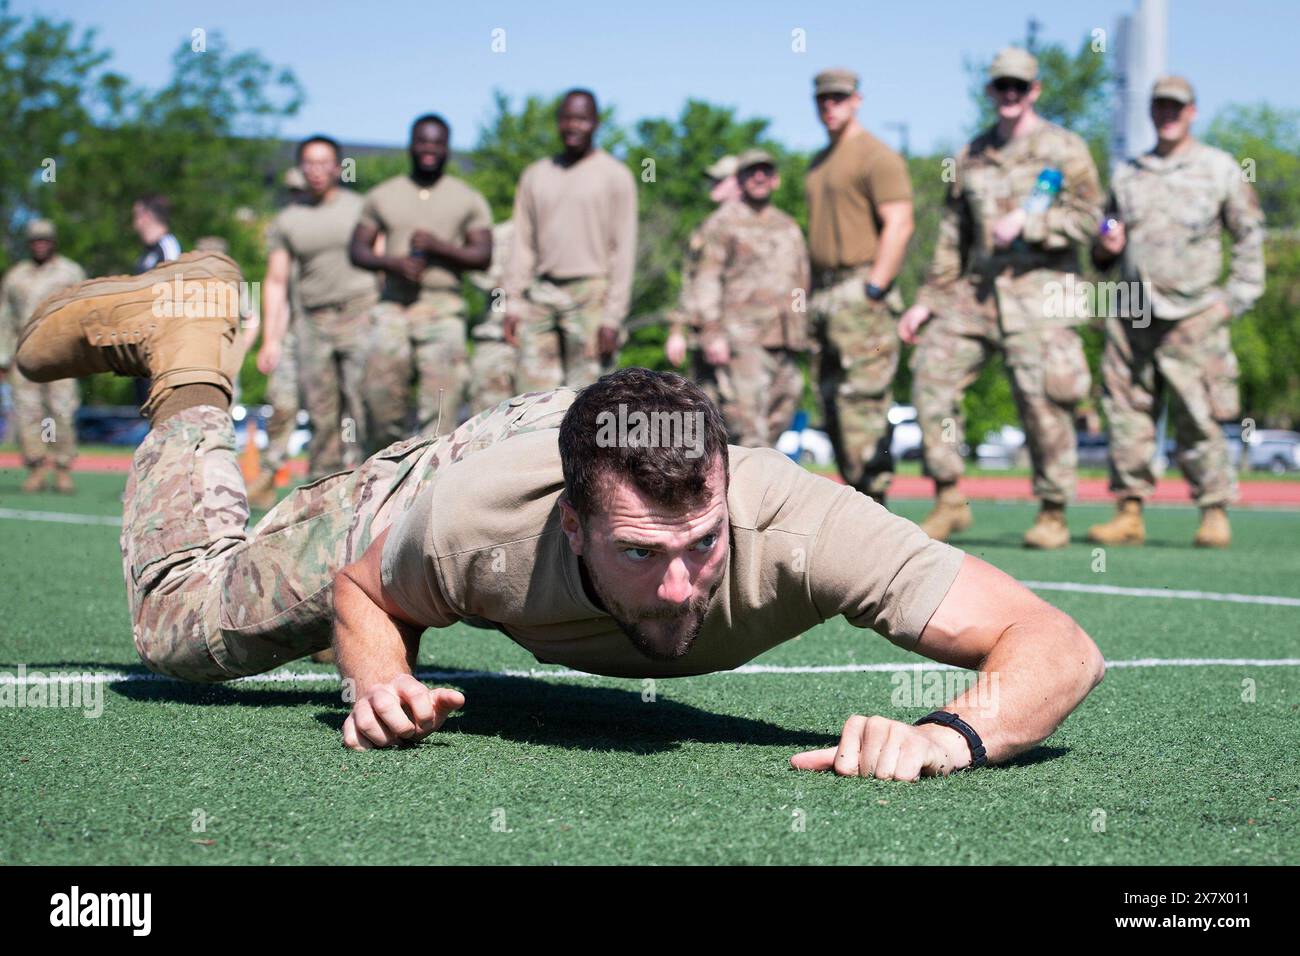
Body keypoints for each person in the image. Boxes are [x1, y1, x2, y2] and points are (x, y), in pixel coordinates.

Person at [15, 251, 1105, 780]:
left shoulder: (802, 525)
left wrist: (950, 734)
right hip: (474, 459)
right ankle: (190, 347)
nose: (683, 586)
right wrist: (379, 670)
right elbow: (360, 579)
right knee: (184, 633)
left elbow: (1059, 643)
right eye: (643, 553)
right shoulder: (475, 518)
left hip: (606, 435)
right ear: (573, 533)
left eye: (701, 549)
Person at [900, 48, 1103, 549]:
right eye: (1001, 87)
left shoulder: (1065, 148)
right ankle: (949, 496)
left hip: (1042, 290)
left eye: (1019, 86)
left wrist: (1032, 223)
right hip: (980, 289)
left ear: (1034, 90)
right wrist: (927, 299)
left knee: (1043, 401)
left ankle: (1053, 510)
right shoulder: (970, 155)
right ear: (990, 92)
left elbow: (1091, 218)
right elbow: (952, 237)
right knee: (931, 375)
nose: (1010, 95)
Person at [1086, 76, 1265, 549]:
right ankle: (1128, 511)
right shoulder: (1129, 173)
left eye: (1176, 107)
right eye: (1160, 107)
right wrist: (1105, 247)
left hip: (1195, 313)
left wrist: (1235, 297)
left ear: (1192, 112)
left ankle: (1213, 511)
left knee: (1199, 412)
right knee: (1126, 413)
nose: (1167, 115)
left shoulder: (1221, 169)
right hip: (1133, 313)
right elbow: (1102, 246)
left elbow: (1249, 235)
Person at [805, 68, 915, 505]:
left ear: (857, 100)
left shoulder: (877, 156)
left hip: (861, 287)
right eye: (823, 99)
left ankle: (877, 502)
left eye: (838, 98)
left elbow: (900, 223)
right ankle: (860, 498)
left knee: (863, 403)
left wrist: (874, 287)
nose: (830, 106)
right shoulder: (818, 162)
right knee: (831, 403)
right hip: (825, 294)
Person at [349, 114, 493, 446]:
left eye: (437, 143)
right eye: (423, 142)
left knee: (442, 403)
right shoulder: (383, 195)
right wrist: (392, 263)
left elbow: (483, 254)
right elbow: (357, 250)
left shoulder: (467, 197)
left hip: (443, 308)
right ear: (411, 145)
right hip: (393, 304)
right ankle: (383, 471)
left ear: (447, 148)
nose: (429, 149)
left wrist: (439, 247)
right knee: (379, 397)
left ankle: (433, 480)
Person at [253, 135, 378, 494]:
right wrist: (270, 340)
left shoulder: (361, 208)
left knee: (363, 405)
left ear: (339, 167)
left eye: (324, 162)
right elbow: (276, 281)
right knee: (322, 415)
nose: (316, 170)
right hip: (313, 322)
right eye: (309, 163)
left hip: (360, 314)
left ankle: (372, 486)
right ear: (300, 168)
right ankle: (323, 491)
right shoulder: (288, 221)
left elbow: (381, 257)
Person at [503, 89, 638, 391]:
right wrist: (512, 302)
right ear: (557, 122)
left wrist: (612, 318)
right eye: (566, 118)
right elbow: (522, 243)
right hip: (542, 294)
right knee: (532, 400)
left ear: (596, 123)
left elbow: (624, 250)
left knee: (589, 400)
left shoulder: (616, 175)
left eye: (582, 119)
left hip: (592, 295)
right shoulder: (535, 175)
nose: (573, 126)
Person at [689, 149, 810, 447]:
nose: (759, 177)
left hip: (785, 338)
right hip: (742, 339)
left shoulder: (788, 226)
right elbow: (706, 280)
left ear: (776, 180)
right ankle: (748, 491)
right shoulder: (723, 223)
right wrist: (712, 331)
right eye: (750, 171)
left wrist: (804, 327)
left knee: (780, 417)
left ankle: (750, 482)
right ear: (740, 180)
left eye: (766, 171)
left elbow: (802, 280)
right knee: (748, 428)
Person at [0, 219, 86, 493]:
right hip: (25, 355)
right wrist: (3, 357)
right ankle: (36, 467)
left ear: (53, 242)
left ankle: (62, 468)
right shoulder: (15, 276)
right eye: (36, 239)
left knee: (62, 409)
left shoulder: (70, 272)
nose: (41, 244)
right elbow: (5, 319)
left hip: (61, 354)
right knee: (27, 412)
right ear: (29, 243)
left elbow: (86, 312)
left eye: (45, 239)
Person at [665, 153, 741, 382]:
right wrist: (678, 331)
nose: (713, 184)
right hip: (703, 340)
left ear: (739, 182)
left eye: (721, 179)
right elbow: (690, 282)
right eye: (712, 179)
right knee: (704, 412)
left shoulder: (755, 228)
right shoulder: (707, 228)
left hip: (738, 340)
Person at [466, 219, 519, 415]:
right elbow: (482, 277)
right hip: (495, 334)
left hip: (540, 335)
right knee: (487, 412)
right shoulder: (501, 234)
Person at [131, 195, 182, 272]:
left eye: (136, 216)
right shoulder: (148, 252)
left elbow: (176, 281)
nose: (135, 225)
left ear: (147, 216)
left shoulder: (168, 247)